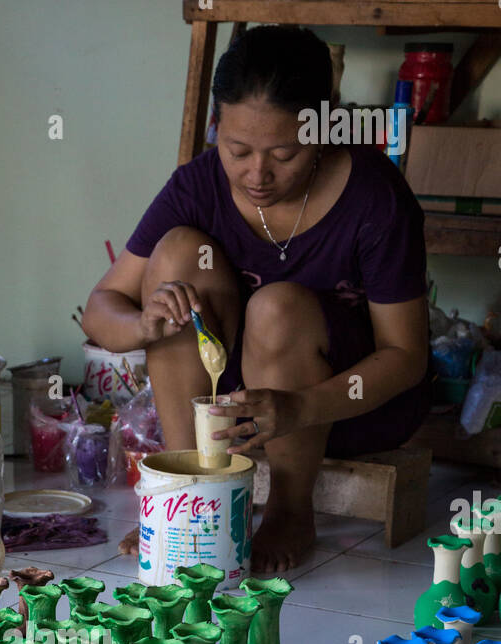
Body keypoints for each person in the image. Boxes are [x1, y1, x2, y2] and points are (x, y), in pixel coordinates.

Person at [82, 25, 430, 573]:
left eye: (285, 153)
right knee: (176, 258)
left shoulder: (375, 197)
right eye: (237, 150)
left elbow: (407, 356)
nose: (257, 175)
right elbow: (103, 305)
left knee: (278, 306)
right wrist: (145, 325)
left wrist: (300, 408)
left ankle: (291, 509)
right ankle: (193, 490)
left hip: (346, 406)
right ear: (216, 124)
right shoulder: (198, 185)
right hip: (239, 406)